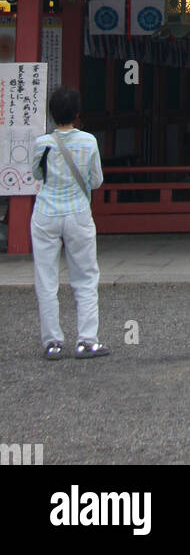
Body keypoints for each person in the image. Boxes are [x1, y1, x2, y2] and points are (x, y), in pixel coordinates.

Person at [30, 86, 109, 359]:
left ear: (51, 114)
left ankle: (52, 342)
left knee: (46, 278)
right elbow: (97, 180)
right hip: (77, 212)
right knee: (85, 277)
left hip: (46, 213)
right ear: (77, 113)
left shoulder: (42, 144)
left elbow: (36, 174)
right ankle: (87, 340)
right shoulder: (88, 142)